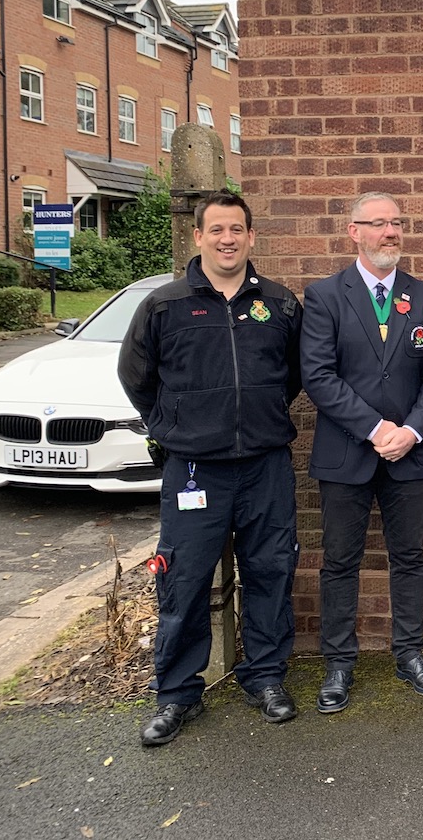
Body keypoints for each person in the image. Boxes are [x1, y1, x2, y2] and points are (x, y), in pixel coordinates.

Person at [118, 189, 303, 746]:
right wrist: (174, 426)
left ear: (251, 236)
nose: (227, 239)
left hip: (266, 465)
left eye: (237, 230)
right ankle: (176, 693)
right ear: (197, 237)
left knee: (271, 571)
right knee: (185, 579)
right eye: (216, 230)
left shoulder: (280, 304)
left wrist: (259, 415)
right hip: (194, 470)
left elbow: (294, 376)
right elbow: (136, 378)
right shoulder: (165, 306)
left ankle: (266, 677)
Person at [300, 192, 423, 713]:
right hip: (346, 453)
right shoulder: (324, 295)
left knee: (409, 558)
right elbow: (317, 375)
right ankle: (339, 663)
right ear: (354, 232)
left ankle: (410, 653)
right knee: (340, 561)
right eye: (380, 224)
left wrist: (410, 430)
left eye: (397, 223)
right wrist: (374, 428)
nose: (391, 232)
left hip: (409, 453)